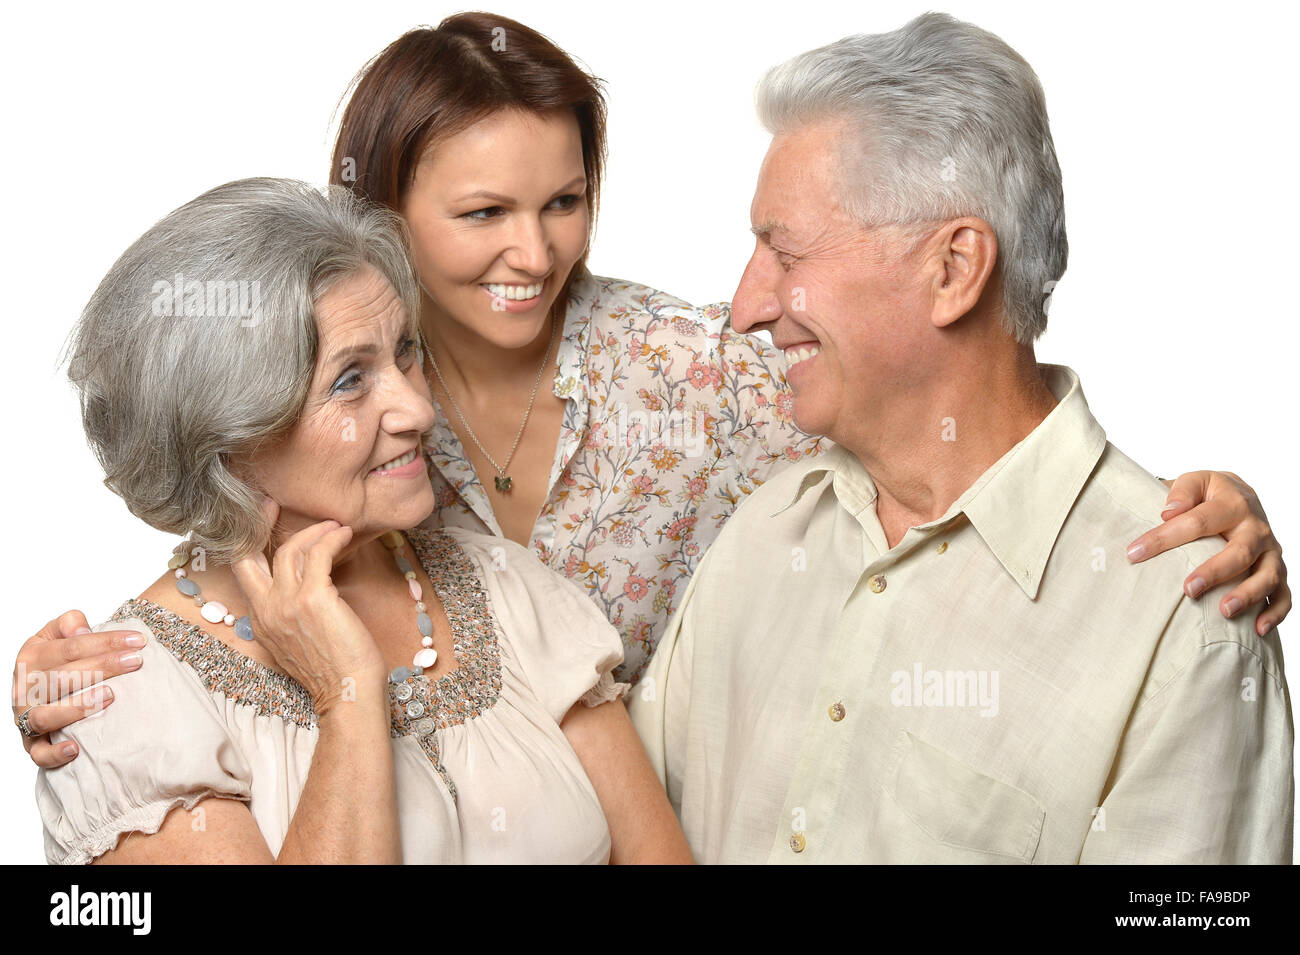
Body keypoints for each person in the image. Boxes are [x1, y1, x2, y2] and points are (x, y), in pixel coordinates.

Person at [13, 12, 1290, 772]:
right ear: (377, 220)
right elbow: (214, 554)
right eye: (481, 213)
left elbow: (935, 439)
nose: (534, 251)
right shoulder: (303, 407)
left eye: (562, 201)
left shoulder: (711, 369)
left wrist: (1179, 517)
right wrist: (80, 688)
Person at [629, 13, 1293, 863]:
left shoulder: (1185, 624)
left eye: (784, 253)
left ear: (952, 270)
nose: (746, 306)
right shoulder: (760, 537)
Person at [32, 177, 691, 864]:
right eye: (350, 380)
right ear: (227, 435)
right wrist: (345, 693)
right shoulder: (120, 697)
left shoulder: (509, 589)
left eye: (405, 352)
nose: (417, 410)